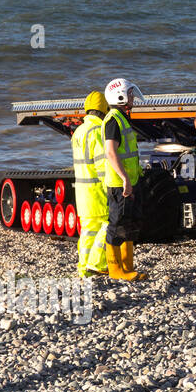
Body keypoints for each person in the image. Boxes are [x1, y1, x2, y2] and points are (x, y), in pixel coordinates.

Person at [102, 78, 148, 281]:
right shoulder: (113, 120)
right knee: (117, 224)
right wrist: (124, 179)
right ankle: (115, 269)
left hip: (129, 181)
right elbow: (111, 152)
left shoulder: (122, 118)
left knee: (130, 223)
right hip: (119, 184)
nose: (132, 97)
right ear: (119, 96)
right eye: (129, 94)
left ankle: (127, 266)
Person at [71, 90, 110, 277]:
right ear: (104, 110)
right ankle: (96, 263)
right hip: (96, 191)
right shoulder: (98, 131)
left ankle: (83, 268)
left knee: (87, 231)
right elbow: (102, 164)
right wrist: (109, 187)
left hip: (82, 191)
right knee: (108, 224)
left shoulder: (78, 131)